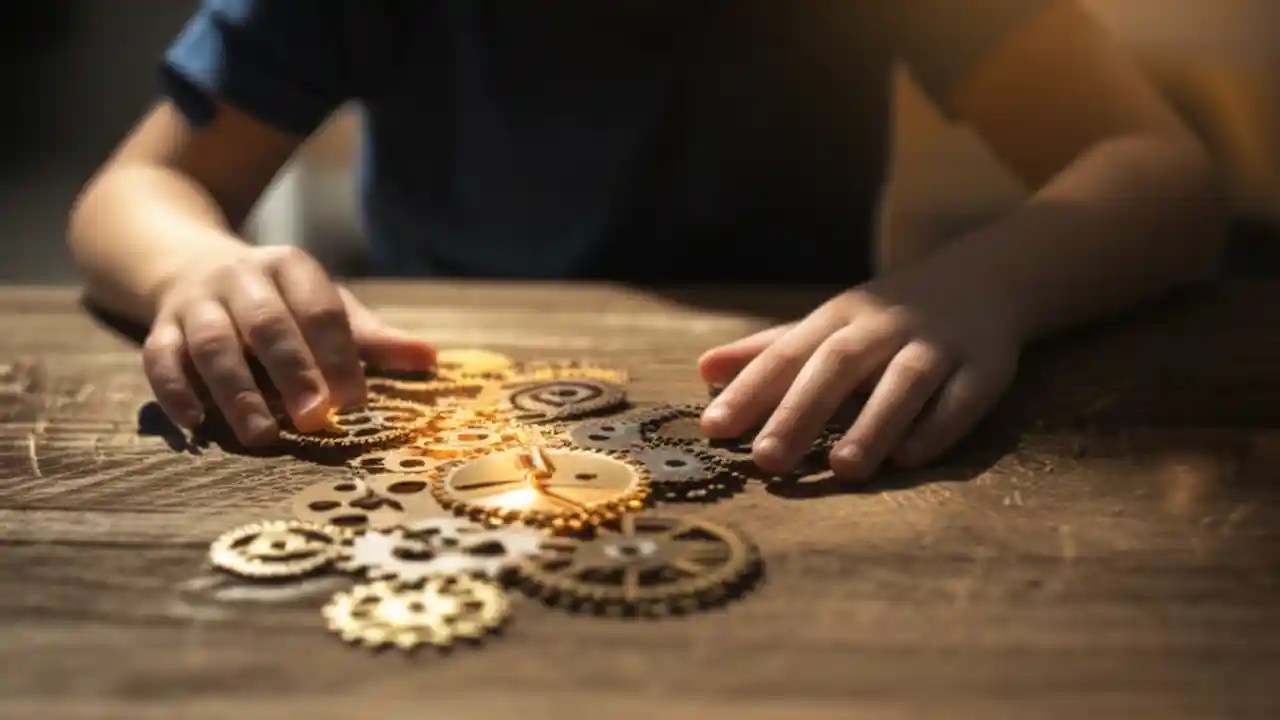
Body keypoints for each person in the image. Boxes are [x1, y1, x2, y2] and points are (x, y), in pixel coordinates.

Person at [67, 0, 1224, 481]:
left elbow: (1162, 179)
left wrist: (984, 287)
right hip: (434, 392)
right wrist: (198, 266)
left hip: (791, 400)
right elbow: (137, 188)